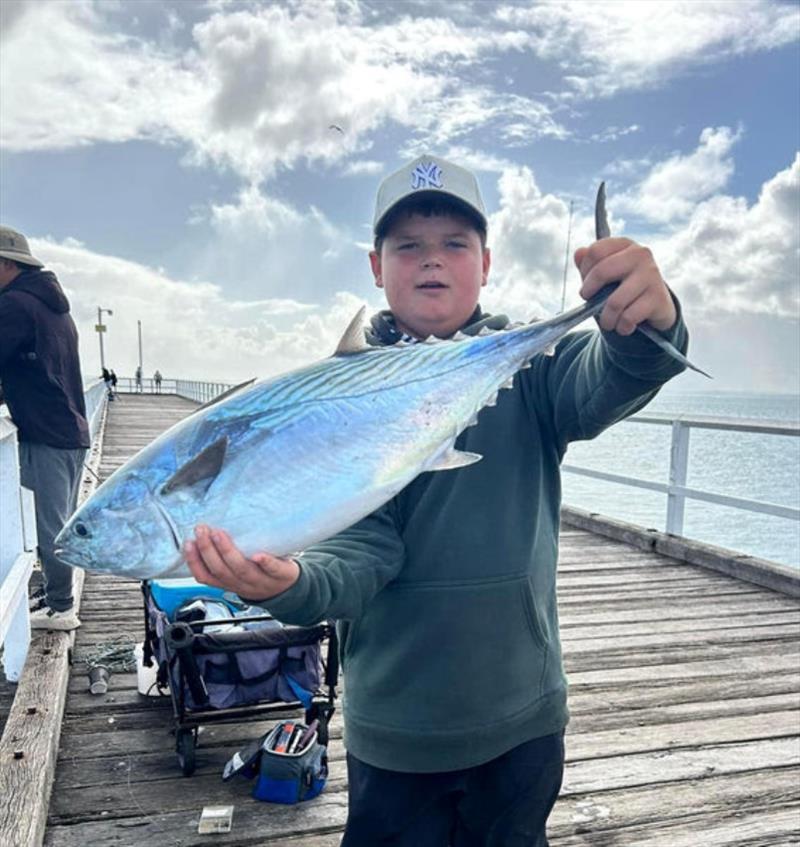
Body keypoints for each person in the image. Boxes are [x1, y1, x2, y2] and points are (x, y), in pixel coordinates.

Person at [184, 155, 689, 845]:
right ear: (375, 265)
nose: (432, 261)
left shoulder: (534, 368)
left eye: (455, 243)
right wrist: (291, 585)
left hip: (523, 722)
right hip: (397, 735)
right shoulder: (340, 399)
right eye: (408, 246)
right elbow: (360, 549)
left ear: (486, 263)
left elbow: (608, 376)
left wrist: (643, 323)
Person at [0, 225, 89, 631]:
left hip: (48, 432)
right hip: (68, 429)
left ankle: (60, 606)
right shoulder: (53, 305)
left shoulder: (16, 305)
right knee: (57, 520)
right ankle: (55, 595)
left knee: (51, 526)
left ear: (5, 264)